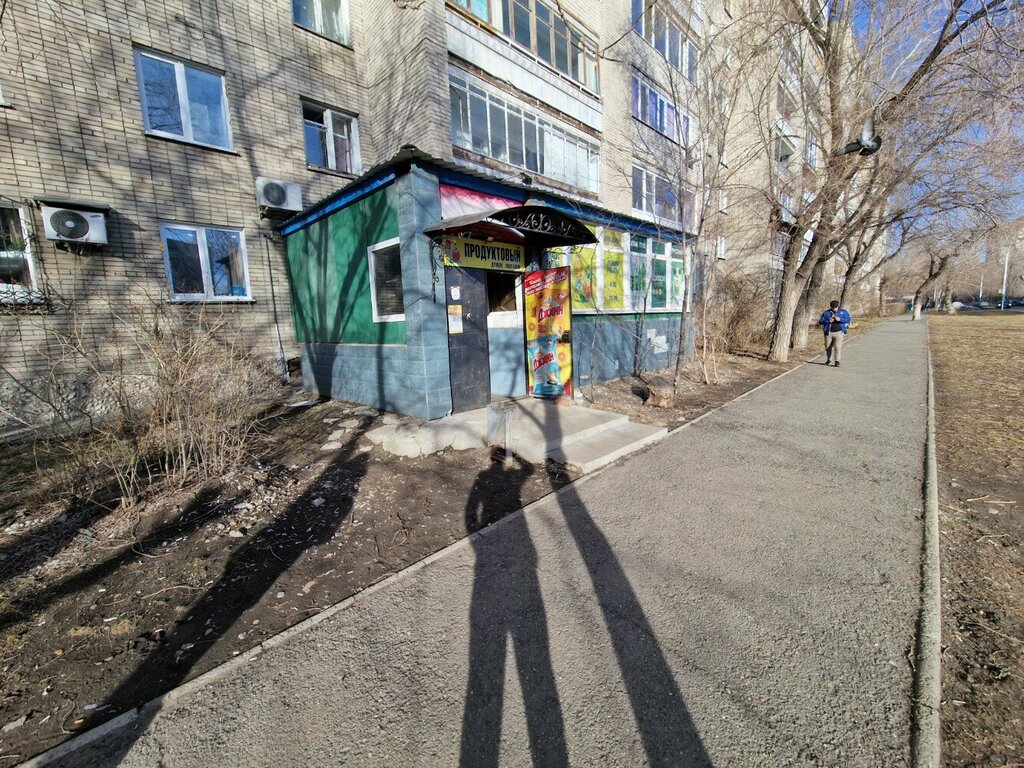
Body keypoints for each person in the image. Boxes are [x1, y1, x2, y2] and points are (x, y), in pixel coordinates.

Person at [819, 300, 851, 367]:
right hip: (828, 333)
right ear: (831, 306)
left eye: (836, 307)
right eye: (833, 307)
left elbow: (848, 319)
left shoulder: (843, 312)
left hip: (839, 332)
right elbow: (821, 321)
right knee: (828, 347)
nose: (834, 308)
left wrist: (840, 319)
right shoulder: (826, 313)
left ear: (838, 306)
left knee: (837, 347)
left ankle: (837, 361)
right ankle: (829, 359)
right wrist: (828, 321)